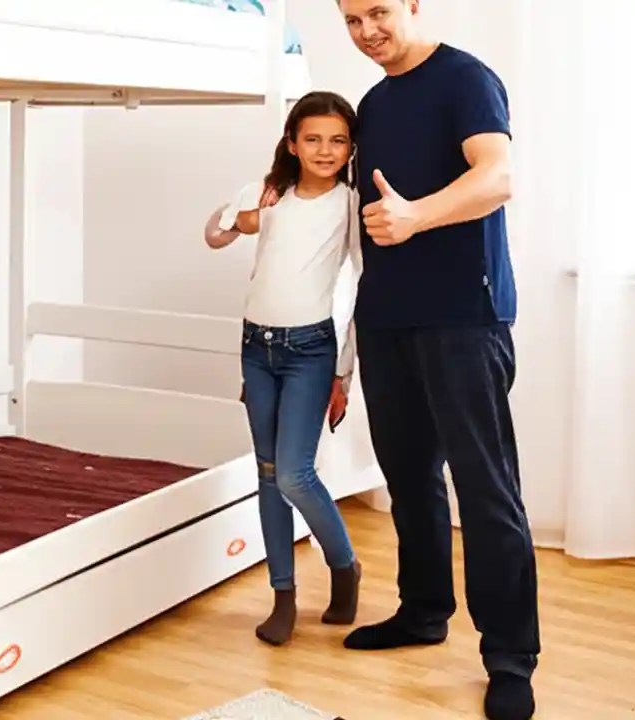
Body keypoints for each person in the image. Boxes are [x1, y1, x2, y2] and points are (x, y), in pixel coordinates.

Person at [259, 2, 540, 719]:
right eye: (352, 20)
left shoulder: (466, 79)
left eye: (378, 12)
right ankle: (423, 611)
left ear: (413, 4)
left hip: (463, 320)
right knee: (409, 480)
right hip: (385, 322)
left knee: (486, 491)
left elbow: (498, 177)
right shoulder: (374, 105)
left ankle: (510, 657)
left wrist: (417, 215)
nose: (366, 31)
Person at [203, 90, 364, 648]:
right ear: (292, 143)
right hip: (257, 348)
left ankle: (343, 567)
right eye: (313, 138)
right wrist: (243, 217)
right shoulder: (268, 193)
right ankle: (284, 596)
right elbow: (214, 236)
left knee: (295, 473)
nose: (325, 150)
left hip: (311, 352)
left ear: (351, 148)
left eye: (338, 140)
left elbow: (362, 288)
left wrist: (343, 373)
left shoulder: (349, 204)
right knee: (269, 476)